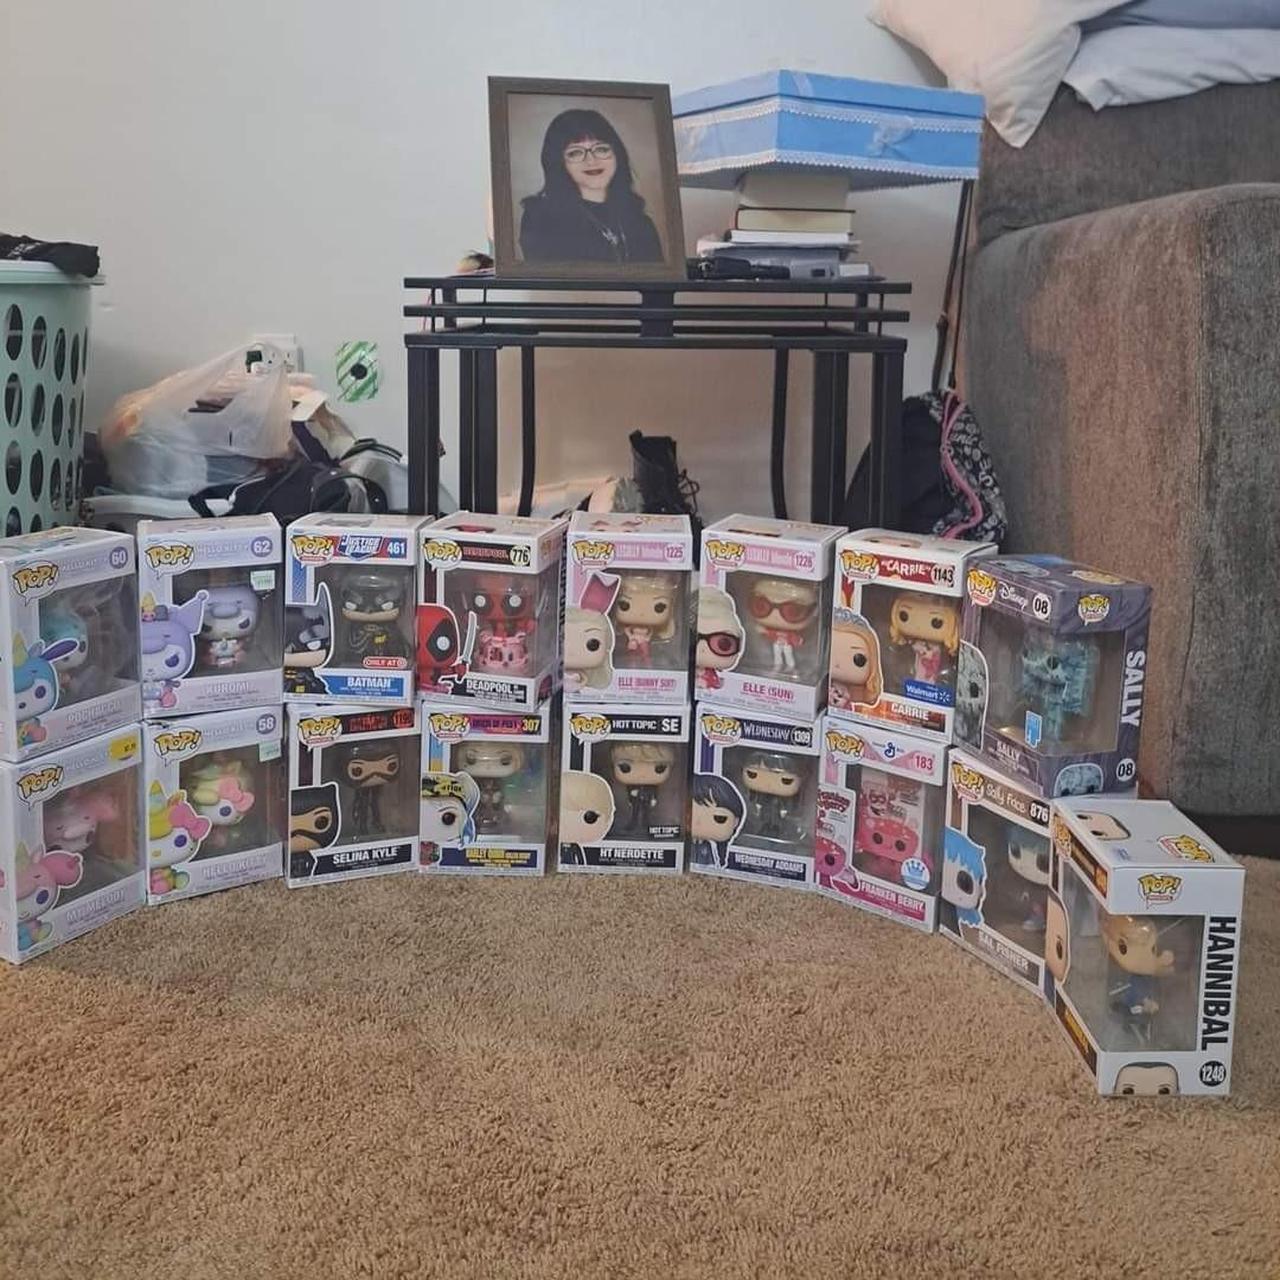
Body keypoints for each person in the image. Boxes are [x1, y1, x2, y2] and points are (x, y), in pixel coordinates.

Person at [519, 108, 664, 265]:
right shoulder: (540, 219)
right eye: (575, 153)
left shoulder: (641, 222)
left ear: (617, 155)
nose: (591, 160)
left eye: (601, 149)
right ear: (558, 162)